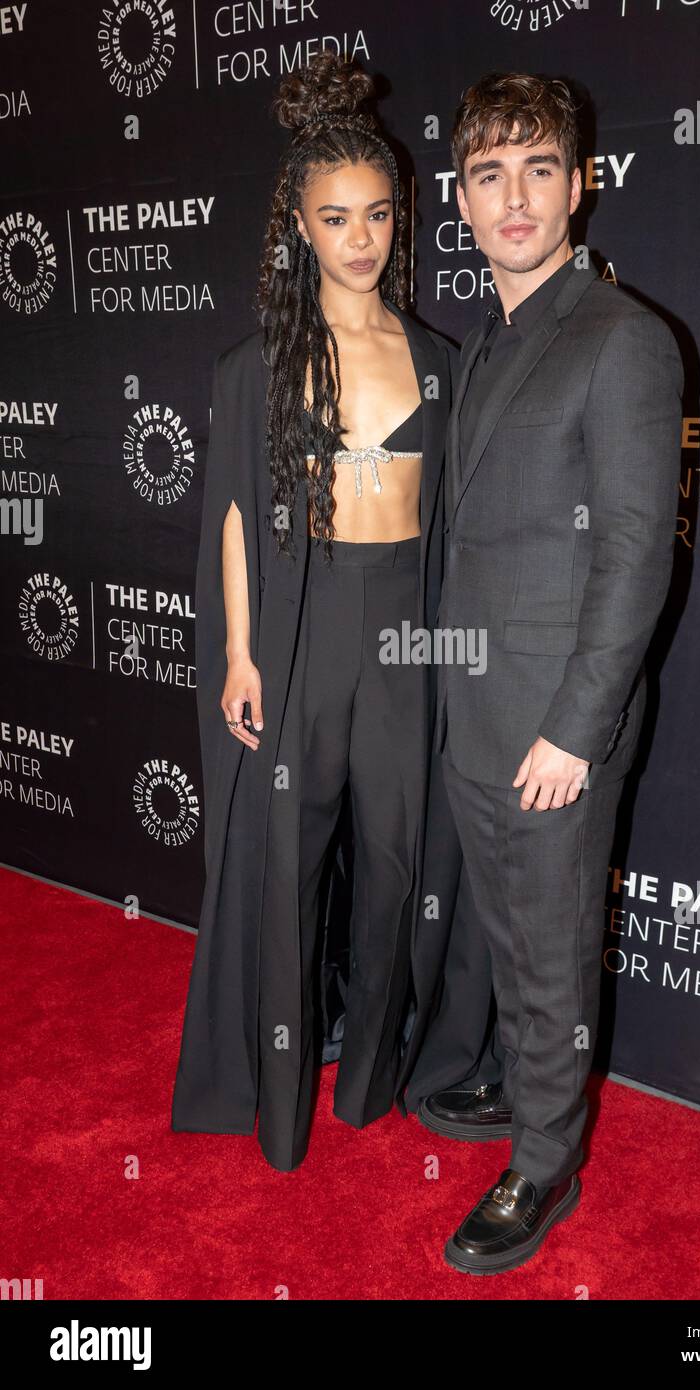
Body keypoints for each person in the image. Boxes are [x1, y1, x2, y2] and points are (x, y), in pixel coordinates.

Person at [402, 72, 684, 1274]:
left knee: (553, 940)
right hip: (478, 708)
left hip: (554, 724)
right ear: (460, 199)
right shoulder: (483, 345)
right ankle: (530, 1090)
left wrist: (574, 729)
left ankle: (545, 1163)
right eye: (485, 175)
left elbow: (634, 556)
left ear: (577, 185)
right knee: (516, 937)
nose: (510, 199)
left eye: (536, 170)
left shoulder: (622, 339)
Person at [171, 53, 456, 1173]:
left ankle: (371, 1082)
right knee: (289, 863)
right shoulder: (257, 366)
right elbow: (239, 518)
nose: (360, 237)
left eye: (378, 215)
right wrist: (239, 653)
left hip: (406, 634)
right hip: (301, 626)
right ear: (298, 222)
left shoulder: (438, 361)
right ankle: (281, 1103)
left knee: (393, 863)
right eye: (335, 216)